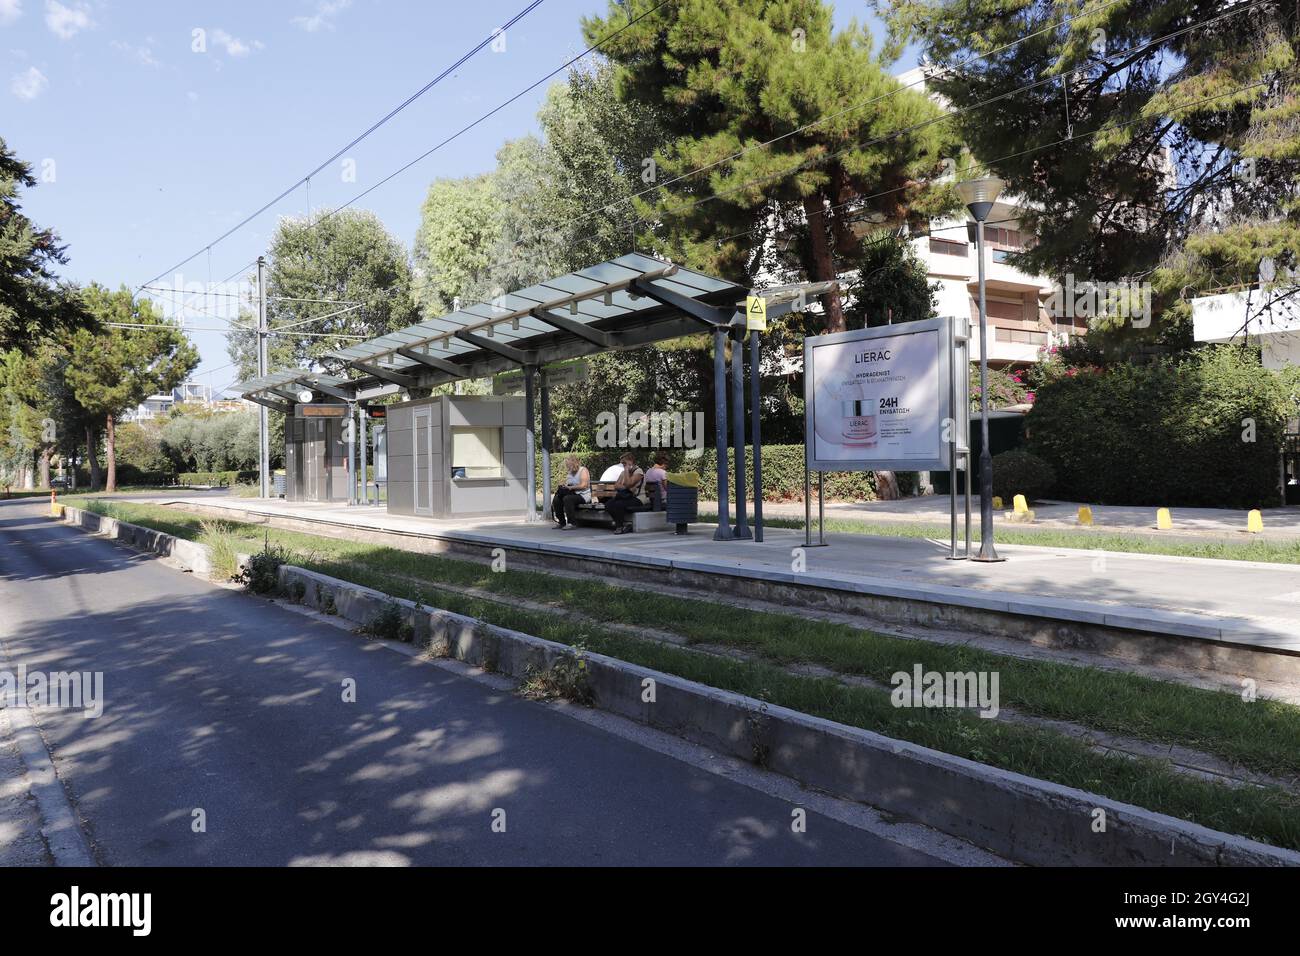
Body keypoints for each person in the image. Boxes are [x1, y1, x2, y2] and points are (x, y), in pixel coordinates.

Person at [604, 453, 645, 534]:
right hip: (626, 497)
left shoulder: (638, 471)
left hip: (638, 498)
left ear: (631, 461)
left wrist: (626, 470)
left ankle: (619, 526)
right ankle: (622, 524)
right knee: (609, 504)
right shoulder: (623, 472)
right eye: (622, 463)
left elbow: (628, 483)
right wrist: (626, 487)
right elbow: (616, 485)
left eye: (624, 463)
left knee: (619, 504)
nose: (623, 465)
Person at [552, 455, 590, 530]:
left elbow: (584, 485)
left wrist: (571, 487)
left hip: (583, 495)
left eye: (569, 465)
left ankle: (572, 523)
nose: (568, 467)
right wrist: (565, 487)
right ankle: (561, 522)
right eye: (567, 465)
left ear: (575, 463)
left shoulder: (583, 470)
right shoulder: (570, 472)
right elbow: (569, 484)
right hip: (573, 493)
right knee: (557, 499)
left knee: (567, 499)